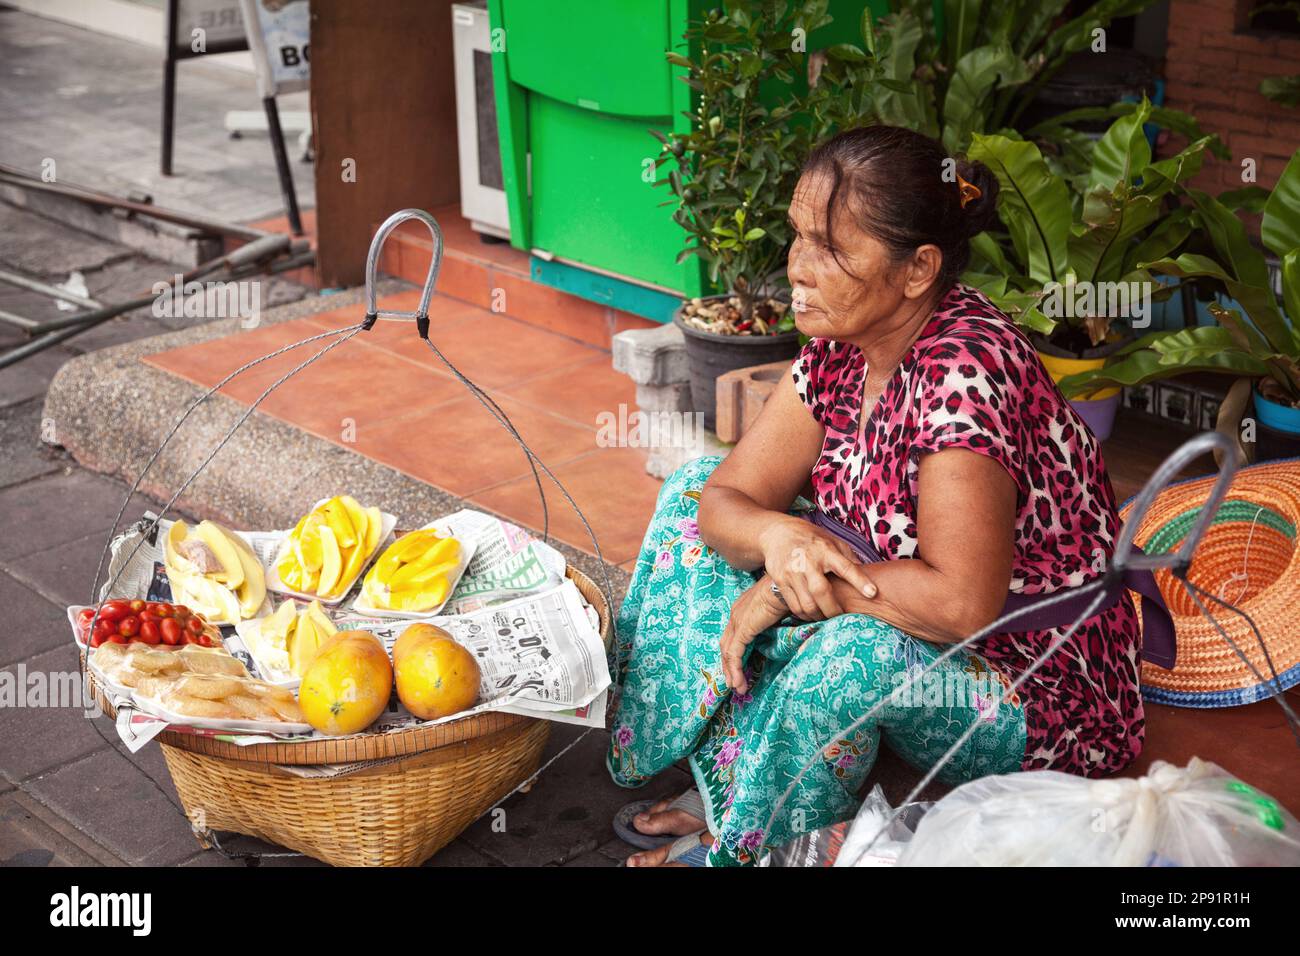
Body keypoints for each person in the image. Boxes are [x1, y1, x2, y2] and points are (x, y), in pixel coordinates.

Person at [607, 125, 1145, 867]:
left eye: (831, 249)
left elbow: (961, 604)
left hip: (1028, 678)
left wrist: (784, 591)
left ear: (918, 268)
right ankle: (738, 783)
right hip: (903, 602)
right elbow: (729, 494)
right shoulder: (839, 341)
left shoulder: (965, 374)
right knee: (691, 496)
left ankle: (769, 847)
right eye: (798, 236)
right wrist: (778, 542)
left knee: (851, 655)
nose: (797, 266)